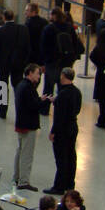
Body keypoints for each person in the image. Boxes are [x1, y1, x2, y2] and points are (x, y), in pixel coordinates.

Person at [46, 67, 82, 195]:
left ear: (63, 76)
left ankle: (59, 186)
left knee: (61, 158)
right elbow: (76, 109)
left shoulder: (62, 95)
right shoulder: (77, 92)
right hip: (73, 127)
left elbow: (59, 117)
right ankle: (69, 183)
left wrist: (53, 131)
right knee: (71, 155)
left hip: (62, 130)